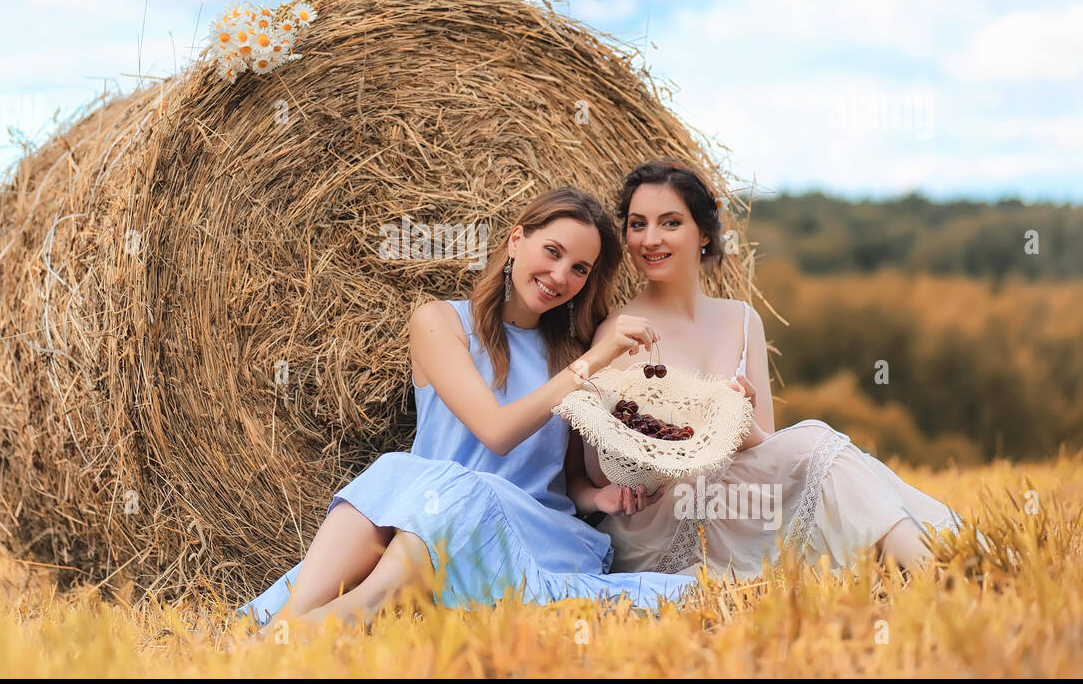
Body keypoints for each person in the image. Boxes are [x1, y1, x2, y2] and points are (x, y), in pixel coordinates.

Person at [235, 187, 698, 631]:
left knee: (460, 495)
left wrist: (600, 498)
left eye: (579, 269)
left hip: (527, 532)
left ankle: (329, 622)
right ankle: (295, 621)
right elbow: (495, 431)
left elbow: (564, 480)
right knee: (407, 477)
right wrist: (591, 363)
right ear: (517, 239)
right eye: (552, 252)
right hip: (429, 520)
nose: (561, 277)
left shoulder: (570, 356)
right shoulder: (440, 322)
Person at [566, 160, 964, 580]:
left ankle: (930, 566)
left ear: (703, 233)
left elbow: (768, 449)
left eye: (669, 223)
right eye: (637, 224)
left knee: (819, 448)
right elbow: (590, 466)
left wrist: (738, 422)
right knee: (816, 441)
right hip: (657, 523)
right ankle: (934, 570)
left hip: (736, 503)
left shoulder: (742, 319)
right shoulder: (618, 332)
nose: (650, 239)